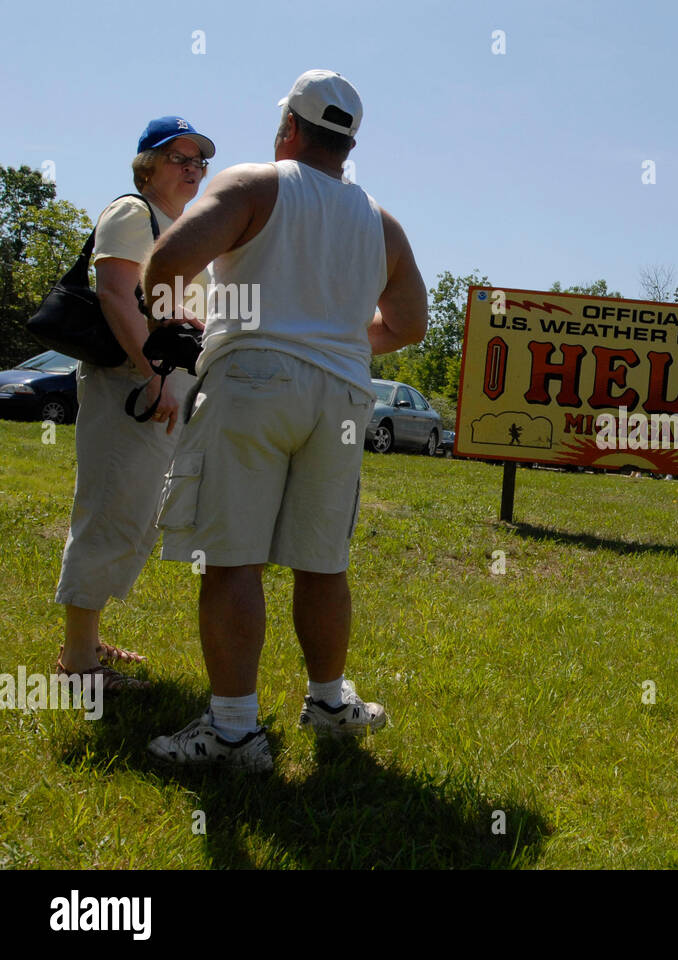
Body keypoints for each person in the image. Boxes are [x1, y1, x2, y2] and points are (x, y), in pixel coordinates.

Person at [142, 70, 427, 770]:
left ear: (290, 128)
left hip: (252, 384)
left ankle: (236, 732)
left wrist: (192, 314)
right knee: (323, 562)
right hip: (341, 398)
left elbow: (169, 262)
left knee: (233, 559)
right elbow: (411, 323)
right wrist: (338, 339)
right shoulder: (381, 222)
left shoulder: (254, 183)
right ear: (348, 142)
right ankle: (329, 703)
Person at [53, 117, 215, 691]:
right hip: (129, 382)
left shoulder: (180, 227)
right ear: (147, 163)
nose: (194, 168)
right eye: (180, 157)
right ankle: (77, 666)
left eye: (201, 160)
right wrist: (151, 375)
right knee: (109, 509)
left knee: (133, 509)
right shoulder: (132, 212)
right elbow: (116, 295)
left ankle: (88, 640)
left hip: (159, 387)